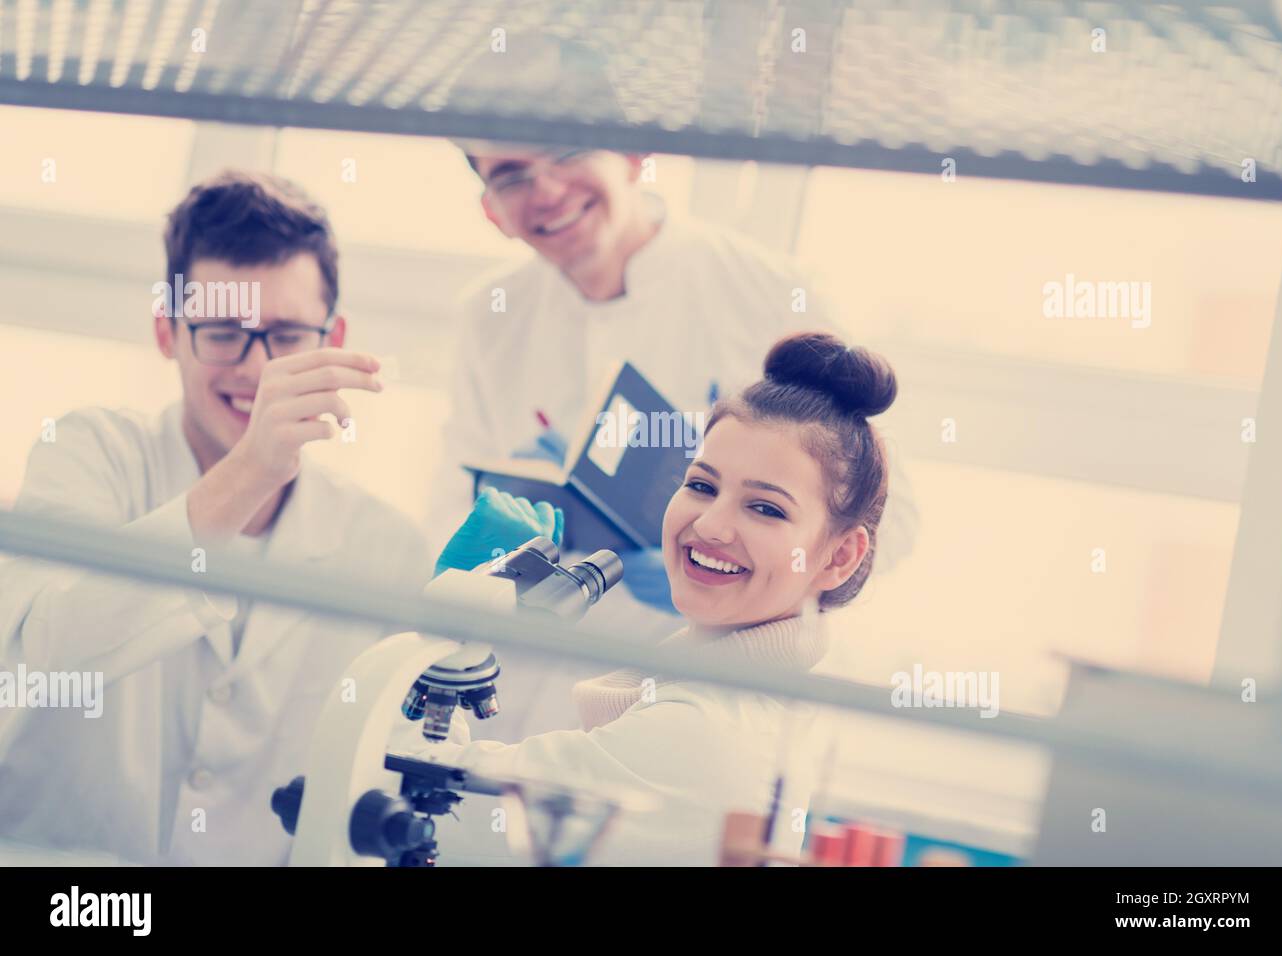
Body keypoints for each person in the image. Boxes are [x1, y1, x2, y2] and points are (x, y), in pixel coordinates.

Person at [431, 36, 915, 745]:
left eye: (566, 151)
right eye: (511, 175)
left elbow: (884, 520)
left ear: (633, 153)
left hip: (700, 706)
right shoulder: (489, 317)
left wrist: (739, 562)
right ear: (490, 211)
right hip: (525, 700)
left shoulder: (768, 290)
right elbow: (452, 498)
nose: (547, 192)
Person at [0, 171, 431, 865]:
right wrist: (250, 471)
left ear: (334, 336)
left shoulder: (385, 549)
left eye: (288, 335)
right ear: (168, 331)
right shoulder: (92, 453)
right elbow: (46, 651)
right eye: (225, 332)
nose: (258, 370)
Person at [417, 332, 896, 865]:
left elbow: (420, 809)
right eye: (701, 485)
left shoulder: (697, 731)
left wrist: (448, 618)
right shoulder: (749, 703)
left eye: (766, 509)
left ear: (839, 557)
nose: (710, 525)